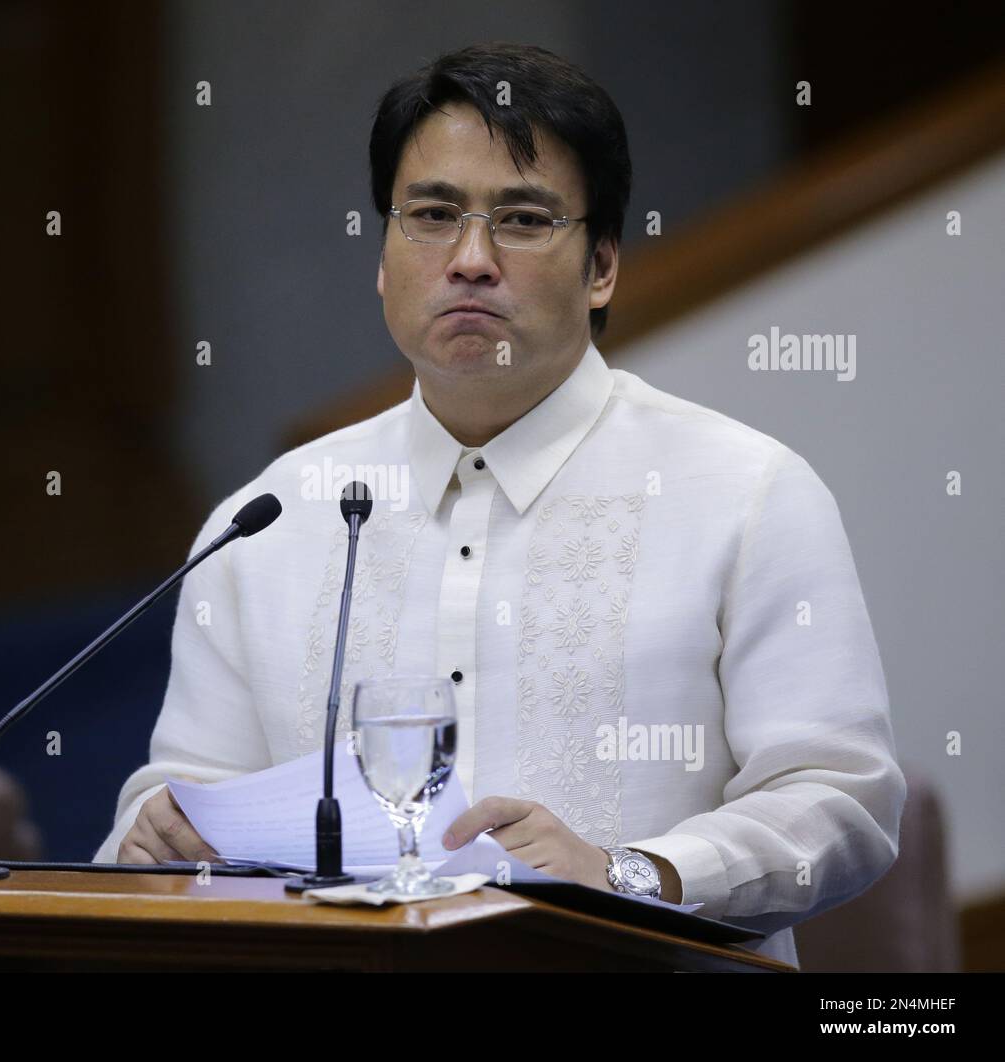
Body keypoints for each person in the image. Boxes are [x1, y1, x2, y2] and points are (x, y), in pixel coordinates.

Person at [94, 42, 904, 969]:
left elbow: (841, 799)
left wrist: (628, 872)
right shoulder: (272, 516)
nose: (471, 259)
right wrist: (153, 839)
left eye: (523, 220)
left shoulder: (748, 493)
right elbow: (173, 803)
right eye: (433, 215)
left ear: (601, 266)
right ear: (385, 256)